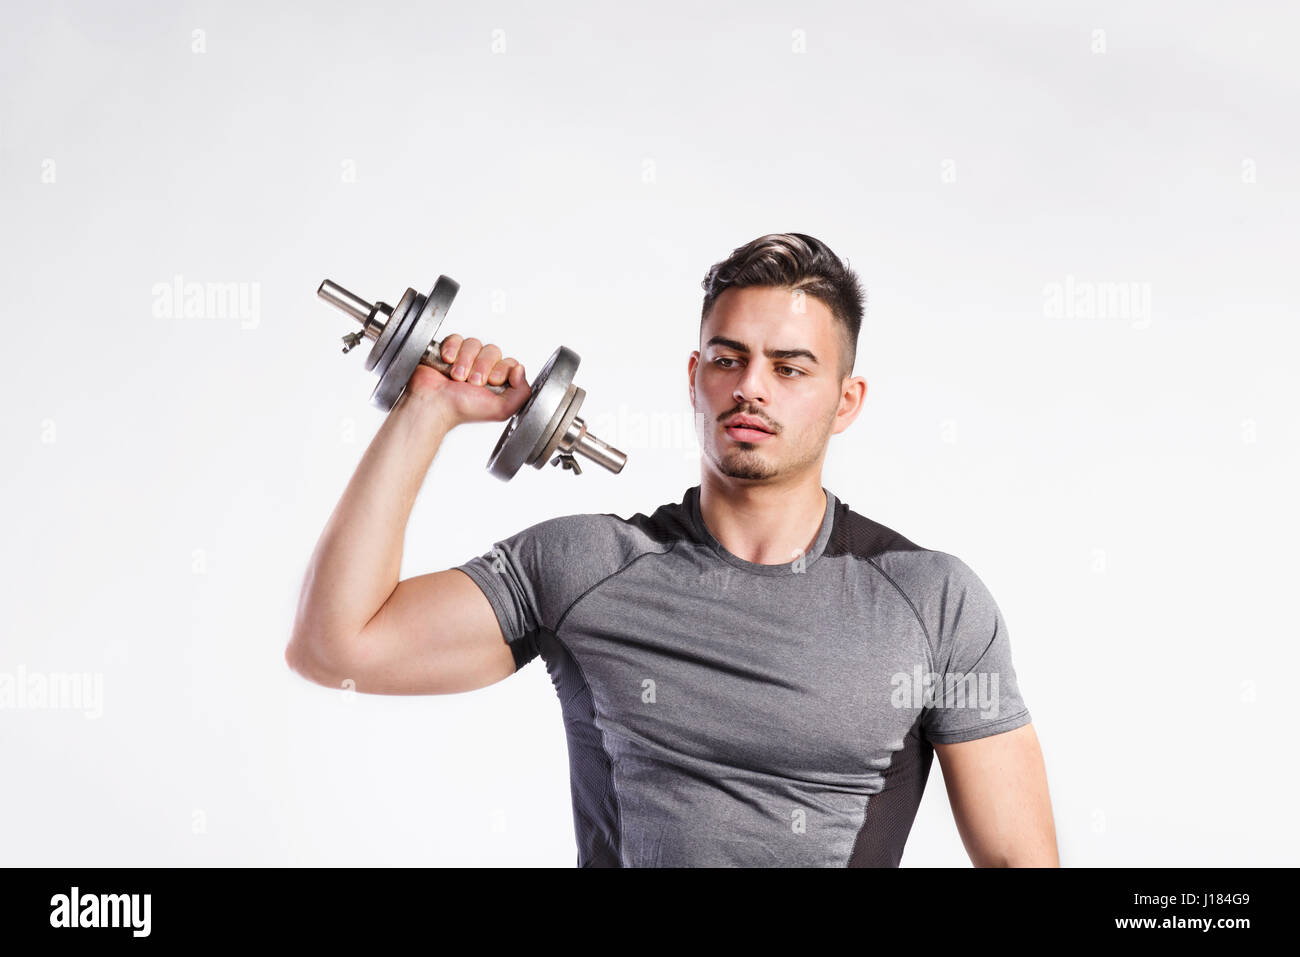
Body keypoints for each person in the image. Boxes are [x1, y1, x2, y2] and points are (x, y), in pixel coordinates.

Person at [286, 232, 1059, 867]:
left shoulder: (933, 601)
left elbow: (1022, 863)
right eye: (728, 359)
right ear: (695, 378)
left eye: (790, 368)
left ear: (845, 401)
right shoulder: (586, 566)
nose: (751, 387)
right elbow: (334, 646)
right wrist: (427, 407)